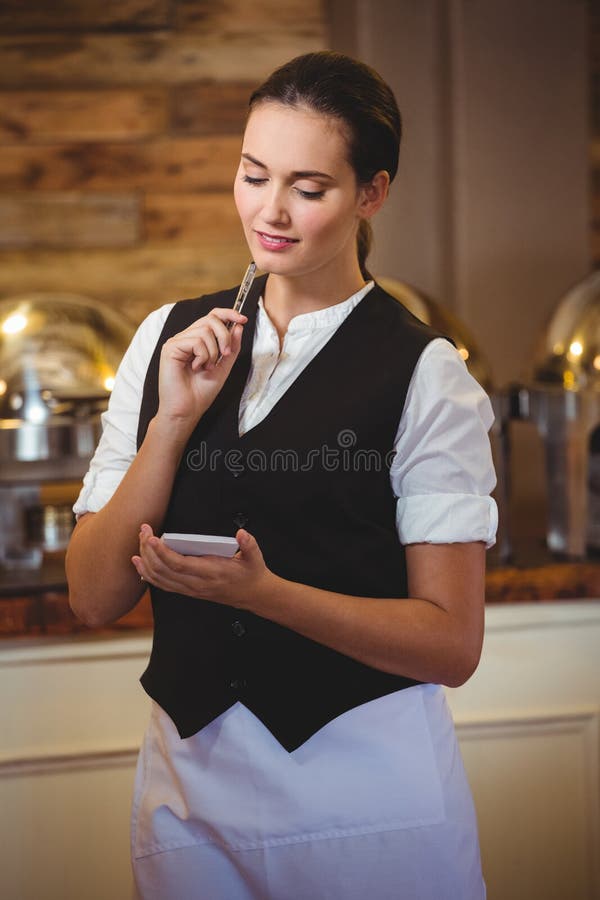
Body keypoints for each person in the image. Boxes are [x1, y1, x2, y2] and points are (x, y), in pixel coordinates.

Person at [66, 51, 497, 900]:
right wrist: (173, 422)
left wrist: (265, 595)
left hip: (369, 798)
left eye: (308, 187)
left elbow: (452, 644)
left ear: (371, 193)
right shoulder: (166, 338)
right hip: (190, 797)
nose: (270, 211)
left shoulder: (426, 372)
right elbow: (91, 595)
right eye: (253, 174)